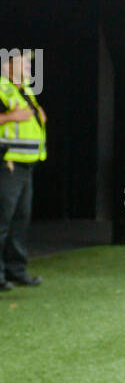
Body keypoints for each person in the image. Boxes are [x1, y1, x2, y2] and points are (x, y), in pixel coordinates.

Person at [0, 51, 46, 289]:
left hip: (26, 164)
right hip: (7, 163)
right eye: (23, 62)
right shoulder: (1, 88)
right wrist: (9, 117)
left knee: (20, 221)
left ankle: (16, 271)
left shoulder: (25, 89)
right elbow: (10, 119)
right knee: (2, 222)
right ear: (8, 66)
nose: (28, 66)